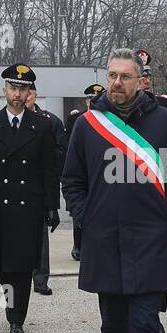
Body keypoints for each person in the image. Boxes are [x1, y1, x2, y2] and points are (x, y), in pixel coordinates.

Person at [62, 48, 167, 333]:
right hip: (104, 241)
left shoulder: (163, 121)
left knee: (146, 325)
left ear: (140, 81)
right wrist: (86, 217)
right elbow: (72, 180)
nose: (117, 83)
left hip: (149, 241)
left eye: (125, 77)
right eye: (112, 76)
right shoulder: (87, 125)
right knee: (113, 324)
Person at [0, 64, 60, 333]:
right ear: (4, 90)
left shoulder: (42, 126)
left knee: (22, 266)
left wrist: (52, 206)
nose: (18, 94)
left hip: (29, 205)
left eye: (23, 89)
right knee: (0, 265)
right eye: (13, 88)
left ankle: (15, 317)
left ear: (29, 92)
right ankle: (10, 304)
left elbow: (49, 170)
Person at [26, 84, 67, 296]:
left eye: (29, 92)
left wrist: (44, 155)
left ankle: (40, 279)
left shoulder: (50, 122)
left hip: (40, 186)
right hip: (12, 188)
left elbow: (62, 152)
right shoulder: (2, 121)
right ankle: (17, 280)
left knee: (40, 234)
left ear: (35, 95)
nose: (25, 97)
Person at [68, 83, 104, 262]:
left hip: (99, 176)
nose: (94, 101)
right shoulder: (79, 120)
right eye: (91, 99)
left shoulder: (108, 121)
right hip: (84, 174)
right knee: (79, 214)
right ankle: (78, 245)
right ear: (86, 101)